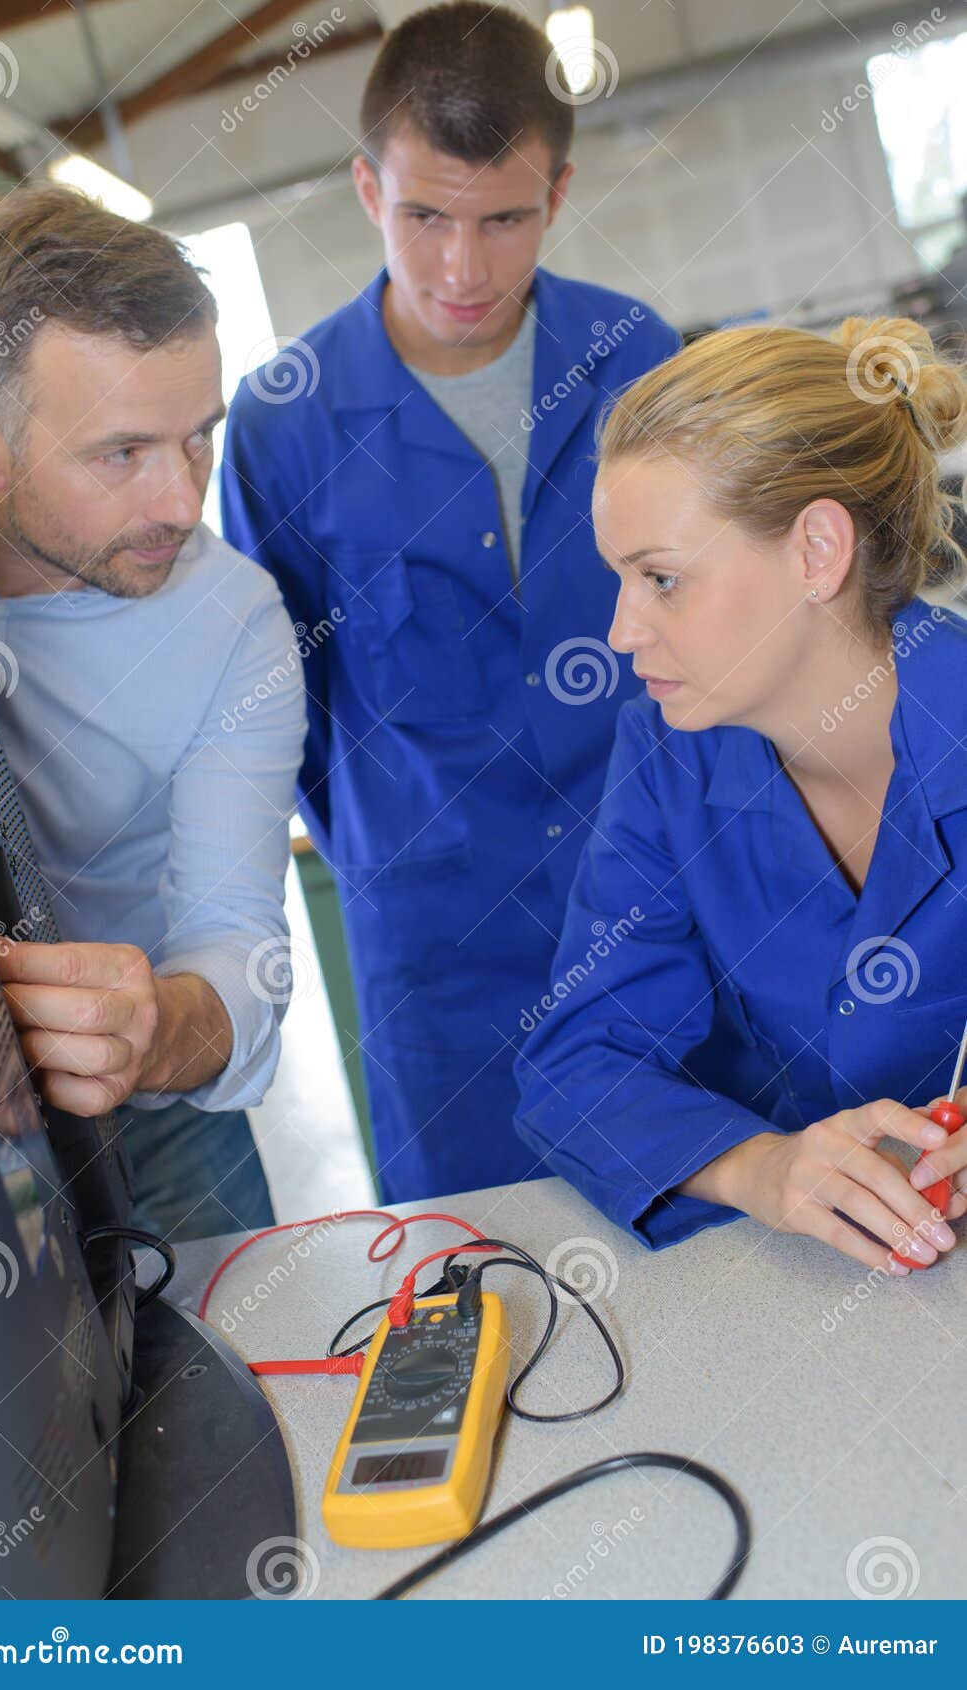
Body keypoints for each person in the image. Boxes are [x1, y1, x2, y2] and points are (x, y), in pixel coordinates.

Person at [221, 1, 679, 1203]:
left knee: (707, 1241)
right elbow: (290, 705)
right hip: (435, 950)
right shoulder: (284, 417)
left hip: (660, 899)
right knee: (476, 1273)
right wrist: (393, 853)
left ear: (560, 194)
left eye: (504, 219)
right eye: (425, 215)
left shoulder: (638, 357)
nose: (462, 269)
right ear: (368, 188)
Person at [514, 312, 967, 1276]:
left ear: (816, 552)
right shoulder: (671, 756)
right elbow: (577, 1062)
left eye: (662, 580)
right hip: (817, 1288)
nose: (622, 631)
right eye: (620, 581)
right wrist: (760, 1168)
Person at [0, 183, 306, 1241]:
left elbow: (238, 948)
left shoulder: (234, 622)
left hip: (155, 1118)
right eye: (120, 452)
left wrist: (153, 1029)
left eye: (197, 439)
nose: (182, 501)